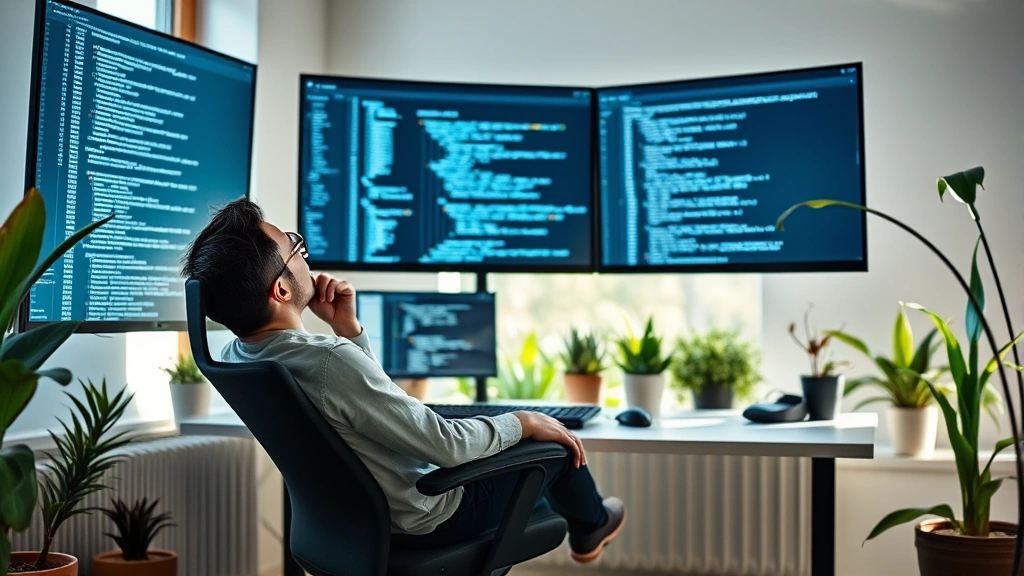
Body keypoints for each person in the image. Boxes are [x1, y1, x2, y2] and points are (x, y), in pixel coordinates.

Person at [180, 199, 625, 563]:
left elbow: (359, 413)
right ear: (280, 290)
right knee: (555, 447)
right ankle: (590, 528)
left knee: (537, 493)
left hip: (355, 527)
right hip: (427, 518)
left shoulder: (242, 356)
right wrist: (524, 421)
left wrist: (349, 332)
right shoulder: (327, 360)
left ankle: (572, 518)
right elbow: (443, 445)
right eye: (295, 248)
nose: (305, 254)